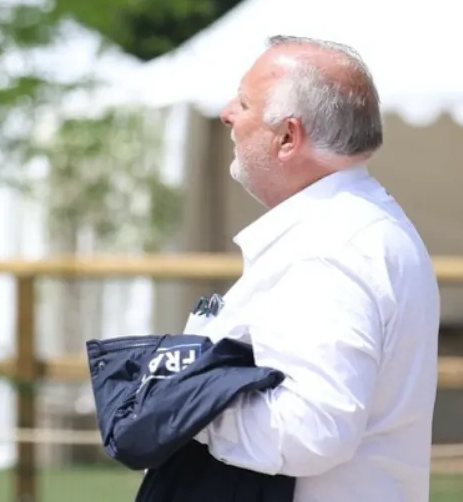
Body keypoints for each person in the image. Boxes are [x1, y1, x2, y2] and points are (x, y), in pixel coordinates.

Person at [182, 35, 439, 501]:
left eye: (244, 102)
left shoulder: (330, 248)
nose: (226, 113)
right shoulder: (356, 228)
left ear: (287, 137)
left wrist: (180, 406)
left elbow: (313, 431)